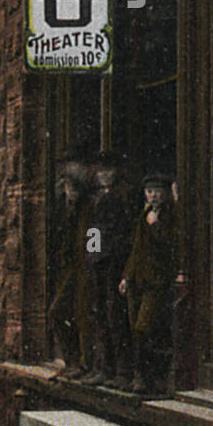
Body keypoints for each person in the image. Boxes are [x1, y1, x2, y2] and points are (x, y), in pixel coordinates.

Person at [120, 173, 180, 394]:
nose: (153, 196)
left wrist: (156, 227)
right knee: (136, 328)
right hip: (139, 280)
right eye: (149, 191)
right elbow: (136, 248)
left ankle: (150, 377)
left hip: (158, 280)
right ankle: (140, 377)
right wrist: (126, 276)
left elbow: (174, 244)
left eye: (157, 191)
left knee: (143, 328)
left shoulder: (172, 214)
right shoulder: (145, 214)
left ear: (166, 193)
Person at [83, 152, 136, 389]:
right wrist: (92, 255)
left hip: (115, 262)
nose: (104, 176)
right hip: (99, 261)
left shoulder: (123, 197)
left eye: (109, 171)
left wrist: (109, 253)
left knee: (116, 315)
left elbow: (123, 233)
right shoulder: (95, 198)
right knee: (100, 313)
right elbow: (93, 230)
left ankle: (122, 371)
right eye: (100, 172)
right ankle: (104, 367)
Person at [48, 154, 93, 379]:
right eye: (64, 184)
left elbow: (94, 236)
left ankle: (84, 365)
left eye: (71, 185)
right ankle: (72, 361)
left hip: (86, 269)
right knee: (58, 313)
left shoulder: (88, 207)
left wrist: (92, 260)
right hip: (69, 270)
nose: (68, 190)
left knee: (84, 316)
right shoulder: (62, 207)